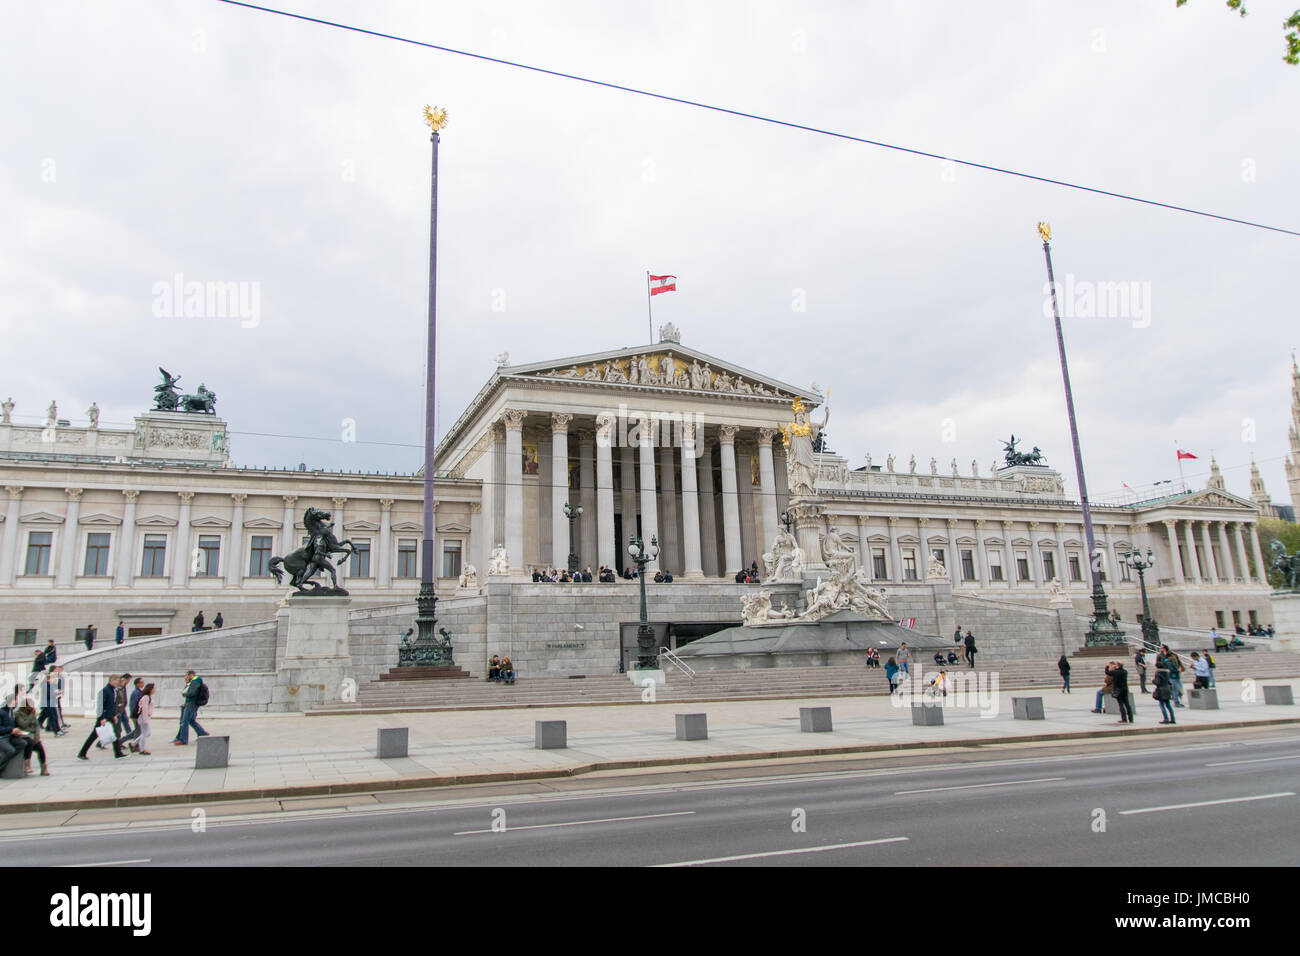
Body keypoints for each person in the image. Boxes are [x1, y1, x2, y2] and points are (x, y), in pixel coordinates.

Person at [77, 676, 125, 760]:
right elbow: (100, 706)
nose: (117, 682)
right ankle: (82, 753)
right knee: (93, 736)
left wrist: (114, 715)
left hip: (110, 716)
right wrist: (102, 718)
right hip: (104, 717)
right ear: (111, 680)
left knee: (115, 734)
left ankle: (118, 753)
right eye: (116, 680)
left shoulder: (114, 690)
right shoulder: (104, 691)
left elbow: (112, 705)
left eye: (118, 681)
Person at [171, 671, 209, 746]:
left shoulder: (195, 681)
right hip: (191, 703)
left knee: (185, 721)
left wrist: (184, 694)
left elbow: (192, 693)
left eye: (186, 676)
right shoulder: (195, 681)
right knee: (191, 720)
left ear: (190, 675)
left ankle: (183, 740)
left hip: (191, 704)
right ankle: (202, 733)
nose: (186, 677)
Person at [13, 697, 48, 776]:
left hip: (32, 736)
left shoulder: (31, 713)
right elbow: (23, 724)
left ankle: (43, 768)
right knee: (30, 743)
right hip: (24, 736)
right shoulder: (18, 714)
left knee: (40, 747)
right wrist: (32, 716)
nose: (33, 707)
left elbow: (37, 726)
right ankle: (27, 765)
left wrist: (37, 735)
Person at [126, 677, 146, 751]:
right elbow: (134, 705)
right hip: (136, 715)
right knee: (138, 730)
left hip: (137, 715)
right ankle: (135, 745)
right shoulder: (136, 692)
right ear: (137, 684)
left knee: (137, 730)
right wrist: (136, 715)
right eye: (141, 682)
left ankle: (122, 741)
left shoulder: (139, 692)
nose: (143, 684)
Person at [136, 683, 156, 754]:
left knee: (147, 733)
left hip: (146, 717)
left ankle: (133, 743)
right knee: (145, 734)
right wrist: (145, 720)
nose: (155, 690)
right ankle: (142, 749)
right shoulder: (146, 697)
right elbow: (144, 709)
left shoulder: (148, 697)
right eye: (154, 688)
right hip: (143, 717)